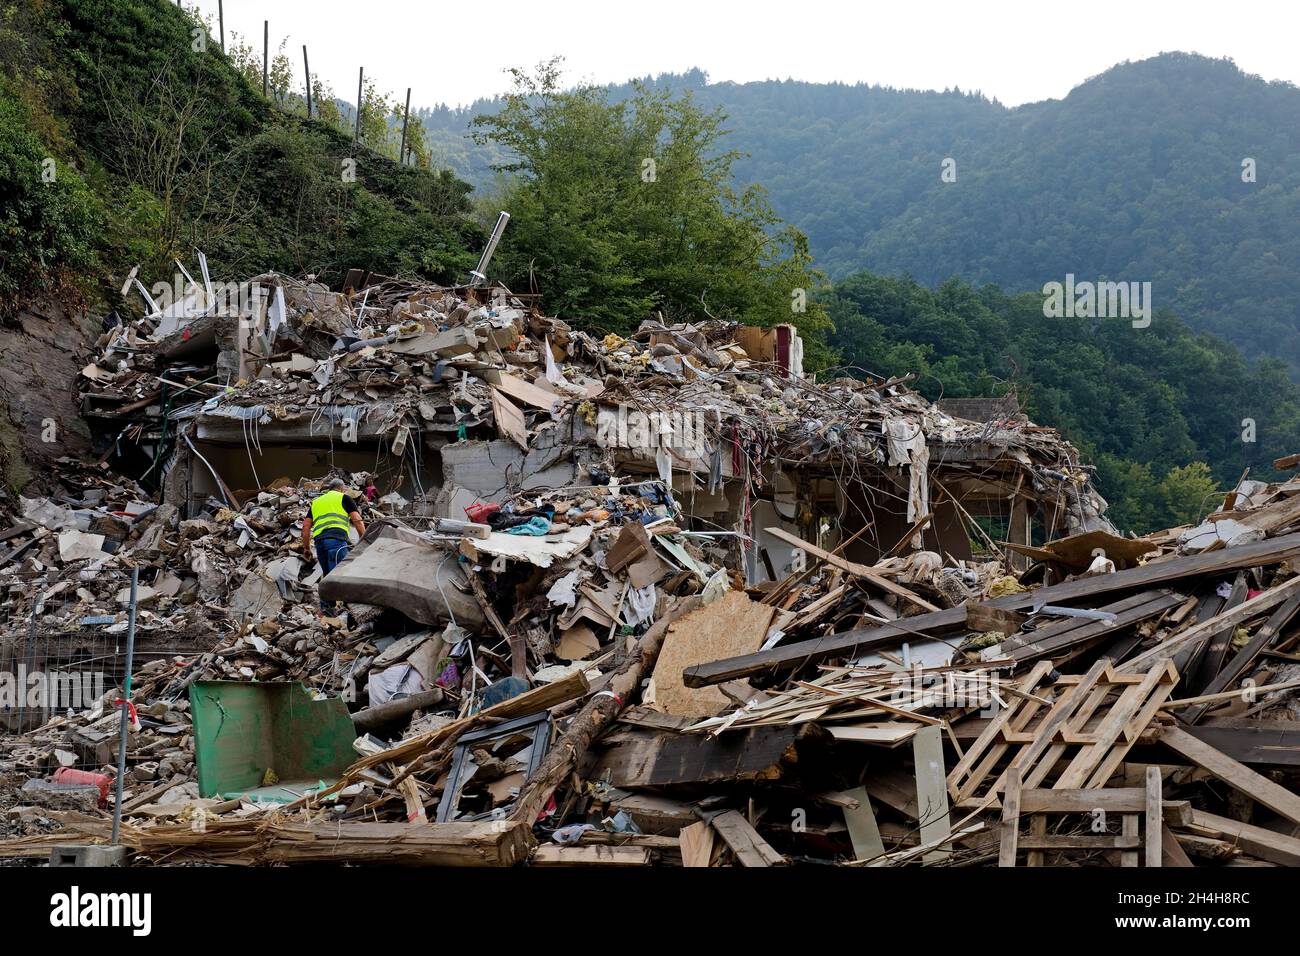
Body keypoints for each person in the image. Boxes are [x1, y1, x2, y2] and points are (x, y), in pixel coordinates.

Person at [302, 478, 366, 613]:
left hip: (320, 543)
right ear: (342, 488)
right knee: (340, 575)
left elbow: (306, 527)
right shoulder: (344, 498)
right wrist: (364, 540)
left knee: (328, 575)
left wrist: (307, 548)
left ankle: (327, 611)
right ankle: (346, 610)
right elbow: (357, 520)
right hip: (336, 540)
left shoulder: (316, 502)